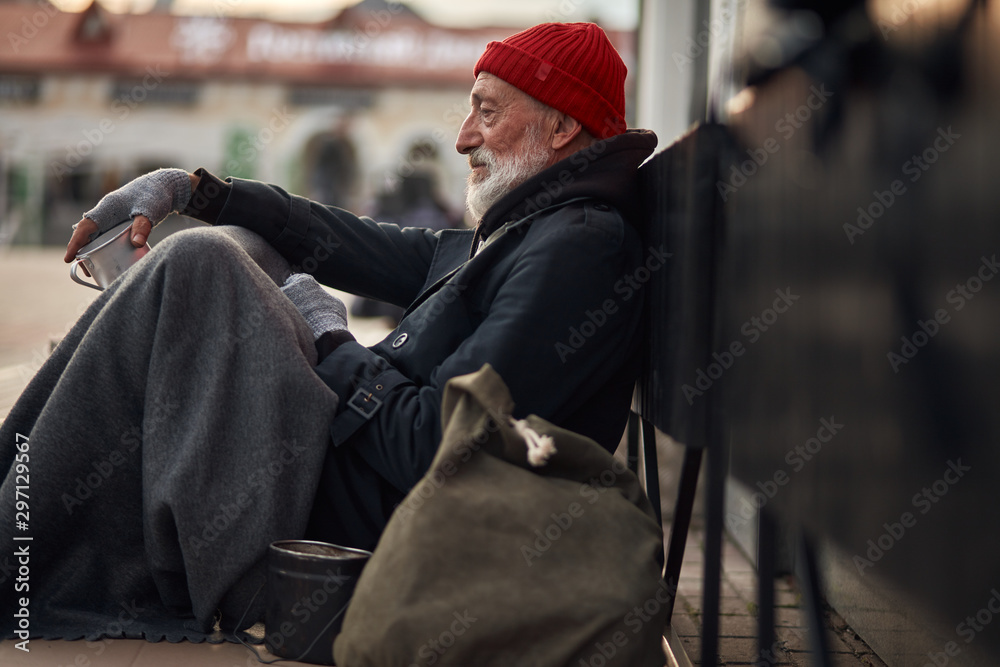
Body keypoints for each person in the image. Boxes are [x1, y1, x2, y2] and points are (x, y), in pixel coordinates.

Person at [0, 22, 658, 643]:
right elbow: (343, 241)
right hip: (336, 482)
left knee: (202, 265)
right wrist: (192, 193)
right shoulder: (526, 233)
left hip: (361, 530)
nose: (462, 138)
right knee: (234, 247)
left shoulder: (580, 249)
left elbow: (440, 447)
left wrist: (331, 339)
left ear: (564, 124)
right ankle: (24, 527)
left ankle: (15, 544)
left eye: (487, 112)